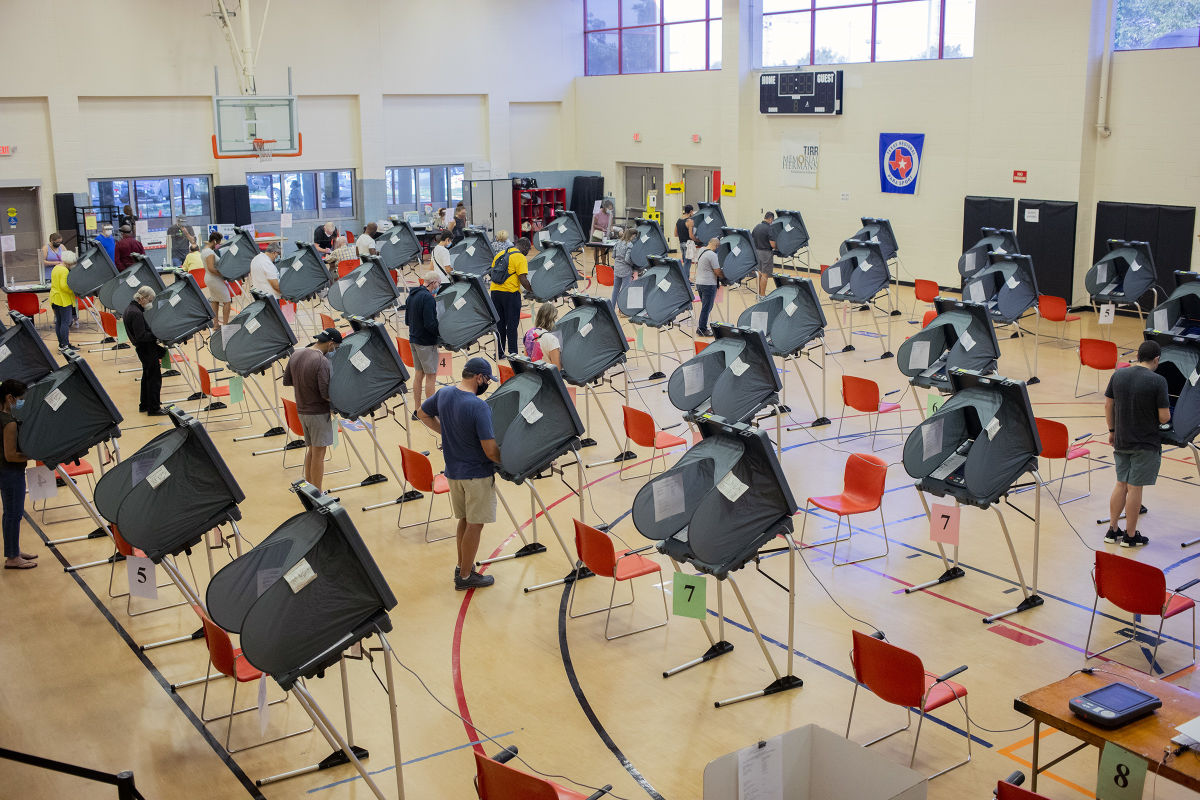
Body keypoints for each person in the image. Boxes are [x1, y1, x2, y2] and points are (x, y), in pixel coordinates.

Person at [416, 357, 501, 590]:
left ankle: (463, 566)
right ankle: (465, 577)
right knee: (476, 524)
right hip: (476, 475)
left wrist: (445, 432)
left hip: (453, 472)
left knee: (464, 520)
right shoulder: (478, 406)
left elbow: (422, 413)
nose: (487, 384)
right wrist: (508, 461)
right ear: (479, 377)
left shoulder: (444, 394)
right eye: (487, 379)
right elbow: (490, 450)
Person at [1104, 340, 1170, 547]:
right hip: (1144, 442)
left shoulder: (1119, 374)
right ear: (1156, 359)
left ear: (1138, 355)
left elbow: (1108, 404)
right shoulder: (1158, 381)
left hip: (1121, 438)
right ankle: (1131, 536)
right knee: (1135, 488)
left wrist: (1112, 430)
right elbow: (1163, 418)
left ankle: (1113, 530)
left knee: (1120, 484)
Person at [282, 328, 341, 491]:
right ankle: (318, 494)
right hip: (318, 413)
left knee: (312, 451)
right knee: (319, 455)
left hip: (302, 410)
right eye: (335, 347)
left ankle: (309, 489)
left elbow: (287, 381)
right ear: (330, 344)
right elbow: (325, 393)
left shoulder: (297, 353)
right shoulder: (321, 361)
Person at [0, 379, 35, 570]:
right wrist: (31, 455)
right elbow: (11, 455)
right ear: (9, 398)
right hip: (10, 473)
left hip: (4, 472)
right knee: (14, 514)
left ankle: (14, 550)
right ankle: (12, 558)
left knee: (10, 514)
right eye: (20, 399)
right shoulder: (9, 423)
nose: (22, 402)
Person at [488, 232, 531, 358]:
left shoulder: (500, 254)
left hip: (495, 292)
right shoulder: (520, 257)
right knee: (512, 325)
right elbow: (523, 278)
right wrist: (531, 289)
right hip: (510, 294)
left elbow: (492, 272)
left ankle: (499, 353)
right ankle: (513, 354)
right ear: (524, 247)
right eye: (528, 250)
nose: (527, 253)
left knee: (500, 324)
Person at [124, 286, 165, 416]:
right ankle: (154, 408)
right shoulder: (136, 313)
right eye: (150, 300)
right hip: (146, 349)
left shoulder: (130, 309)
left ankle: (145, 404)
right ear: (142, 299)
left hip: (143, 349)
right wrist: (157, 334)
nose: (150, 303)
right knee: (154, 378)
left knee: (146, 376)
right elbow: (141, 336)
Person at [405, 272, 441, 419]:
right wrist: (441, 333)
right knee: (431, 377)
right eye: (438, 284)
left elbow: (407, 321)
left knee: (419, 374)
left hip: (413, 339)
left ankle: (417, 410)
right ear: (433, 283)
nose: (438, 287)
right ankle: (430, 412)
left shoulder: (412, 295)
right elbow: (430, 324)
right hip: (426, 343)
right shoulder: (428, 298)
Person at [694, 237, 723, 337]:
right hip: (709, 284)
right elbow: (717, 271)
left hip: (699, 283)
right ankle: (702, 329)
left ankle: (703, 326)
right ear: (716, 245)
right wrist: (725, 277)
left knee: (705, 307)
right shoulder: (712, 254)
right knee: (707, 308)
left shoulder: (701, 250)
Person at [49, 248, 76, 351]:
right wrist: (74, 291)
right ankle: (66, 345)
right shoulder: (64, 270)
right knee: (65, 322)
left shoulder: (56, 267)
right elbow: (64, 287)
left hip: (54, 298)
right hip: (63, 300)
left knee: (59, 322)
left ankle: (61, 344)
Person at [201, 232, 231, 326]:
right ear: (214, 241)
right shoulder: (210, 252)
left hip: (209, 278)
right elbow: (211, 268)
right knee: (227, 301)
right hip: (214, 278)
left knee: (215, 300)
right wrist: (223, 275)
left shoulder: (204, 250)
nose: (218, 245)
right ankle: (225, 325)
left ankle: (216, 324)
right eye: (218, 243)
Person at [523, 302, 562, 369]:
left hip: (532, 374)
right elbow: (557, 368)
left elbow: (526, 360)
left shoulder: (529, 333)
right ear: (552, 320)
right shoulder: (552, 339)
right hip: (547, 376)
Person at [751, 211, 777, 298]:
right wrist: (778, 247)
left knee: (759, 274)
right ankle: (762, 295)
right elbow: (772, 244)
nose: (772, 222)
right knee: (765, 275)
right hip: (766, 253)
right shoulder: (769, 229)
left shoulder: (757, 227)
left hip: (757, 252)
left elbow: (752, 240)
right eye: (772, 220)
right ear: (770, 219)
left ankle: (758, 294)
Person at [611, 226, 638, 308]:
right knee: (624, 290)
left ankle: (612, 307)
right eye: (634, 236)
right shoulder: (630, 245)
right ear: (632, 235)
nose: (635, 238)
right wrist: (633, 264)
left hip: (617, 269)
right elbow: (627, 259)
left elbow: (613, 255)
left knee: (615, 289)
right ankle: (622, 309)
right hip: (625, 270)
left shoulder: (618, 242)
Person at [676, 205, 698, 272]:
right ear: (691, 211)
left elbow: (675, 234)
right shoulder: (689, 221)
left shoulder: (678, 220)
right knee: (687, 263)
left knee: (685, 262)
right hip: (688, 244)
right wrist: (697, 240)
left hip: (681, 243)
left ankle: (685, 279)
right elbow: (691, 236)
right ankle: (686, 280)